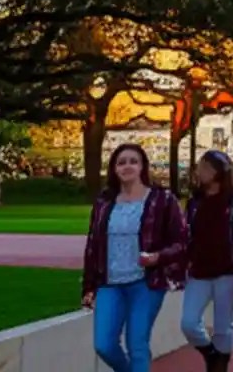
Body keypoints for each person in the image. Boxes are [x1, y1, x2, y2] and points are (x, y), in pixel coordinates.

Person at [82, 144, 187, 372]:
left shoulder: (162, 199)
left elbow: (182, 242)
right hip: (110, 283)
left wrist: (157, 257)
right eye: (121, 162)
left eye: (133, 161)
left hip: (146, 283)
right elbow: (93, 246)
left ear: (142, 167)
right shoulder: (104, 202)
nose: (127, 166)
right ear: (113, 169)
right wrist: (88, 287)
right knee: (104, 344)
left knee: (137, 344)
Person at [181, 151, 233, 372]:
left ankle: (220, 365)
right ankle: (210, 353)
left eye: (205, 168)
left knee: (223, 326)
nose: (200, 172)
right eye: (199, 167)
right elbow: (187, 234)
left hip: (227, 272)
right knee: (188, 322)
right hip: (199, 272)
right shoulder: (195, 201)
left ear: (218, 172)